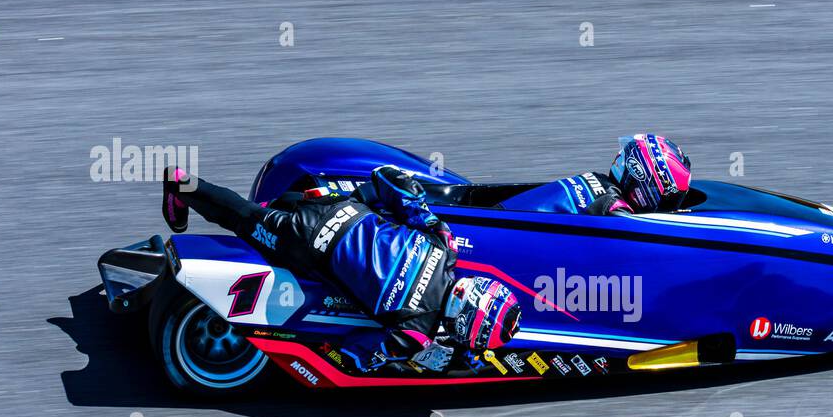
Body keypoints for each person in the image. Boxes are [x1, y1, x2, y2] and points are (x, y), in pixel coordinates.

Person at [161, 164, 520, 373]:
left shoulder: (445, 247)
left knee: (275, 206)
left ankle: (271, 198)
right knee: (243, 218)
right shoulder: (415, 331)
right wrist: (420, 358)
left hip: (339, 204)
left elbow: (396, 182)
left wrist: (364, 199)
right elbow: (354, 356)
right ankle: (182, 183)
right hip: (305, 240)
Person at [496, 134, 692, 216]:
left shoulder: (600, 182)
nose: (672, 206)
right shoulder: (612, 206)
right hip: (499, 231)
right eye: (671, 199)